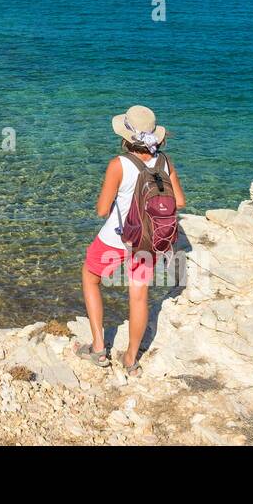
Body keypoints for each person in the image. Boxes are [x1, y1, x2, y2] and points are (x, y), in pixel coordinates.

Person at [77, 105, 185, 375]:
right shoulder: (165, 162)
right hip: (148, 242)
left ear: (126, 136)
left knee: (90, 277)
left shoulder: (118, 164)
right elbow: (180, 202)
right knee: (139, 298)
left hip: (116, 239)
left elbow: (102, 210)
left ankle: (99, 348)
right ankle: (130, 360)